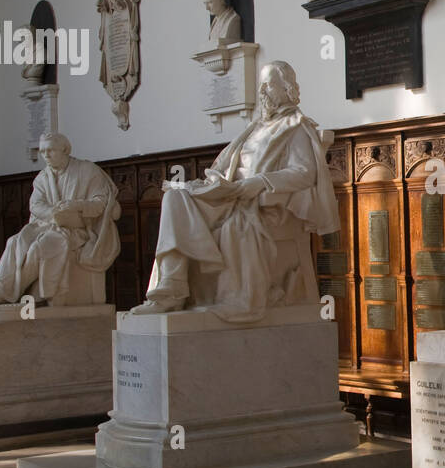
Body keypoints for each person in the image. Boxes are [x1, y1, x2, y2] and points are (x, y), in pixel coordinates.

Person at [132, 61, 339, 322]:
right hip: (230, 194)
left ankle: (235, 297)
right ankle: (171, 288)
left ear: (286, 89)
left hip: (260, 202)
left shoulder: (296, 127)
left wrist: (260, 182)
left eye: (269, 84)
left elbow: (304, 172)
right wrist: (213, 182)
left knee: (234, 226)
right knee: (175, 196)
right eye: (261, 84)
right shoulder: (254, 128)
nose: (262, 90)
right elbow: (223, 165)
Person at [0, 133, 120, 309]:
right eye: (42, 151)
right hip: (48, 225)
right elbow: (36, 205)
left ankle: (15, 296)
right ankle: (0, 292)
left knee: (42, 246)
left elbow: (102, 203)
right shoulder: (43, 177)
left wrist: (76, 206)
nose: (46, 155)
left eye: (50, 150)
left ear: (65, 150)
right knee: (15, 242)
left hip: (79, 230)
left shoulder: (86, 170)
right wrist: (54, 213)